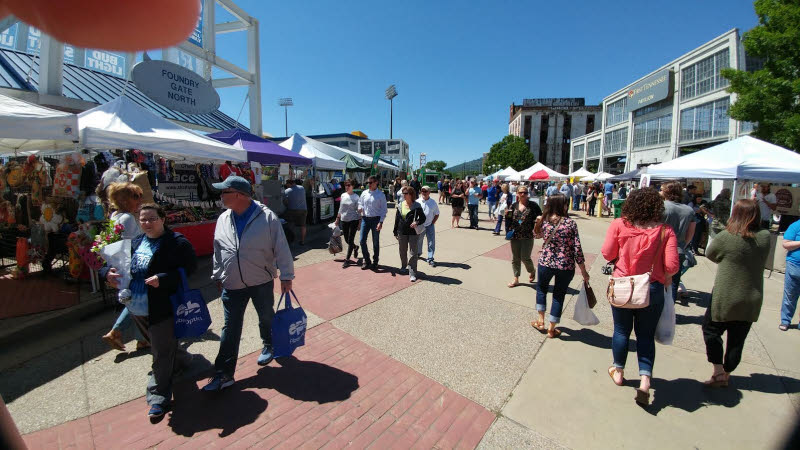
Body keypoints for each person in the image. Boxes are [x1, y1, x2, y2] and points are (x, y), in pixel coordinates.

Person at [103, 204, 197, 419]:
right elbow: (113, 264)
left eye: (152, 219)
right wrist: (107, 272)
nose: (146, 223)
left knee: (160, 354)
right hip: (136, 307)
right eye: (143, 220)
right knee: (163, 345)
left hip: (161, 305)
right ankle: (182, 359)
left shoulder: (177, 242)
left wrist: (163, 279)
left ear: (163, 219)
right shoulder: (135, 242)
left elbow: (190, 268)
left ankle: (159, 397)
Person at [204, 176, 294, 392]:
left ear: (239, 195)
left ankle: (269, 344)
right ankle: (224, 373)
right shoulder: (223, 218)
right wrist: (218, 274)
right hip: (232, 282)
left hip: (260, 280)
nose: (221, 196)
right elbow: (218, 249)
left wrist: (286, 275)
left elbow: (281, 247)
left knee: (265, 316)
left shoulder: (267, 217)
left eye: (224, 192)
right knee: (230, 327)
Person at [601, 187, 679, 406]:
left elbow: (607, 253)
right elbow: (672, 265)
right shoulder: (665, 231)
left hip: (624, 285)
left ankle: (618, 372)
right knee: (645, 335)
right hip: (651, 288)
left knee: (621, 331)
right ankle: (645, 380)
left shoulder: (619, 224)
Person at [702, 199, 771, 386]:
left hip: (726, 294)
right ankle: (727, 371)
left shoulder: (727, 237)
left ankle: (718, 371)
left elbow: (710, 253)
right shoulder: (765, 237)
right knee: (737, 338)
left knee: (711, 330)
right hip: (751, 296)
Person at [532, 194, 590, 338]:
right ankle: (551, 328)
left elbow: (536, 235)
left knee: (542, 289)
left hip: (546, 262)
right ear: (561, 205)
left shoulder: (544, 220)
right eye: (565, 203)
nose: (567, 206)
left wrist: (537, 222)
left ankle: (540, 320)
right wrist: (583, 270)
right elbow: (577, 248)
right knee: (559, 295)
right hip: (565, 265)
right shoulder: (570, 223)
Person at [101, 182, 147, 352]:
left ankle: (135, 336)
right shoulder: (127, 218)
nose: (139, 200)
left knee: (136, 299)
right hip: (135, 265)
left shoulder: (115, 215)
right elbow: (132, 244)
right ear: (125, 200)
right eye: (136, 196)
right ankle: (122, 333)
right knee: (140, 300)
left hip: (123, 265)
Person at [660, 181, 696, 301]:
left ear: (666, 192)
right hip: (678, 249)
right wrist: (683, 245)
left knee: (657, 281)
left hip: (659, 249)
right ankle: (670, 312)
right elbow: (691, 233)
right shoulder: (689, 210)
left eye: (661, 189)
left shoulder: (661, 207)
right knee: (674, 283)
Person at [507, 185, 542, 288]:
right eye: (521, 192)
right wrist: (507, 219)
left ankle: (532, 270)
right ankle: (516, 278)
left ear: (528, 194)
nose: (523, 194)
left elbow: (540, 215)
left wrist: (539, 219)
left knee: (525, 257)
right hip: (515, 235)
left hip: (528, 235)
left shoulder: (533, 205)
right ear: (517, 194)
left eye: (525, 192)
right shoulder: (513, 205)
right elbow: (509, 218)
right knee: (515, 258)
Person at [393, 186, 426, 282]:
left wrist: (416, 222)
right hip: (402, 231)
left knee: (413, 253)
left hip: (413, 232)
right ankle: (404, 266)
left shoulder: (417, 206)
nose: (404, 195)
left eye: (406, 193)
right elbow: (397, 219)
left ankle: (412, 273)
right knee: (402, 251)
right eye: (403, 193)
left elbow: (423, 218)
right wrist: (395, 231)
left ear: (411, 194)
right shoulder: (400, 205)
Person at [358, 175, 388, 270]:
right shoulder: (364, 193)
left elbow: (384, 210)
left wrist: (381, 222)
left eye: (370, 183)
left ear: (376, 183)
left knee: (375, 242)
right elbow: (360, 203)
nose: (368, 184)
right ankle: (367, 260)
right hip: (365, 219)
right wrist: (360, 208)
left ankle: (375, 261)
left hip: (376, 220)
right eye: (367, 183)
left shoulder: (381, 195)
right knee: (362, 241)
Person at [780, 218, 800, 331]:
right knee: (790, 295)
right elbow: (786, 244)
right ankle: (785, 321)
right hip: (794, 266)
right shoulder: (796, 225)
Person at [336, 179, 360, 268]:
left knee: (350, 240)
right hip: (344, 220)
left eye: (348, 185)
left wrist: (360, 222)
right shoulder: (343, 195)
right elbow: (340, 208)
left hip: (353, 220)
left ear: (353, 186)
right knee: (346, 240)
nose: (347, 187)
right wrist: (337, 218)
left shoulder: (356, 197)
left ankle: (347, 259)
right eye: (346, 185)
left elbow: (359, 211)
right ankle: (355, 247)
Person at [417, 186, 440, 267]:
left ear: (429, 192)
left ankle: (430, 258)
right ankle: (418, 253)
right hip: (420, 226)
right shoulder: (417, 201)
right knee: (419, 241)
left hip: (429, 225)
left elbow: (437, 214)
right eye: (422, 191)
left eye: (425, 191)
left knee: (431, 242)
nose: (423, 192)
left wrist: (432, 223)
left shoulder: (433, 202)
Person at [283, 179, 307, 245]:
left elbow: (285, 202)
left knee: (291, 224)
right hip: (303, 210)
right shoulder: (302, 188)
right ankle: (302, 241)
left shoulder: (287, 191)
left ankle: (291, 240)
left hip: (292, 210)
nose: (286, 186)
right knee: (303, 225)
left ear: (289, 184)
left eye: (287, 184)